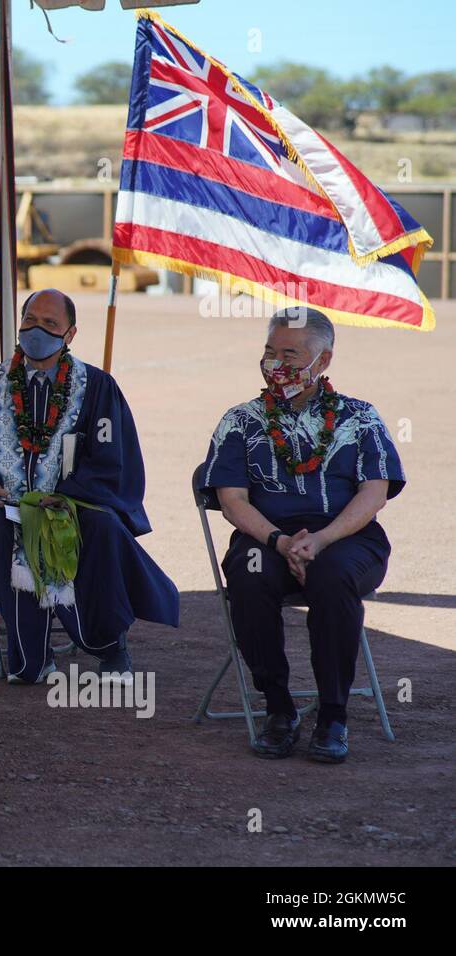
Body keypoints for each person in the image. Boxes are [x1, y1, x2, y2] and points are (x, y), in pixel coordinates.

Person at [0, 288, 179, 685]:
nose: (36, 330)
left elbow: (113, 463)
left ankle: (109, 646)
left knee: (105, 528)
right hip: (4, 509)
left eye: (50, 324)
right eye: (30, 320)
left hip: (72, 507)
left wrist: (69, 496)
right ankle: (32, 653)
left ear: (70, 334)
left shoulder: (98, 388)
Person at [199, 307, 403, 763]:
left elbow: (375, 492)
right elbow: (232, 500)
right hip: (265, 538)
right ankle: (278, 708)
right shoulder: (240, 420)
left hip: (347, 538)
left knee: (331, 577)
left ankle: (333, 714)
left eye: (290, 353)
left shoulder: (360, 417)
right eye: (270, 352)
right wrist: (280, 542)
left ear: (324, 360)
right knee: (250, 576)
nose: (277, 363)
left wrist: (323, 539)